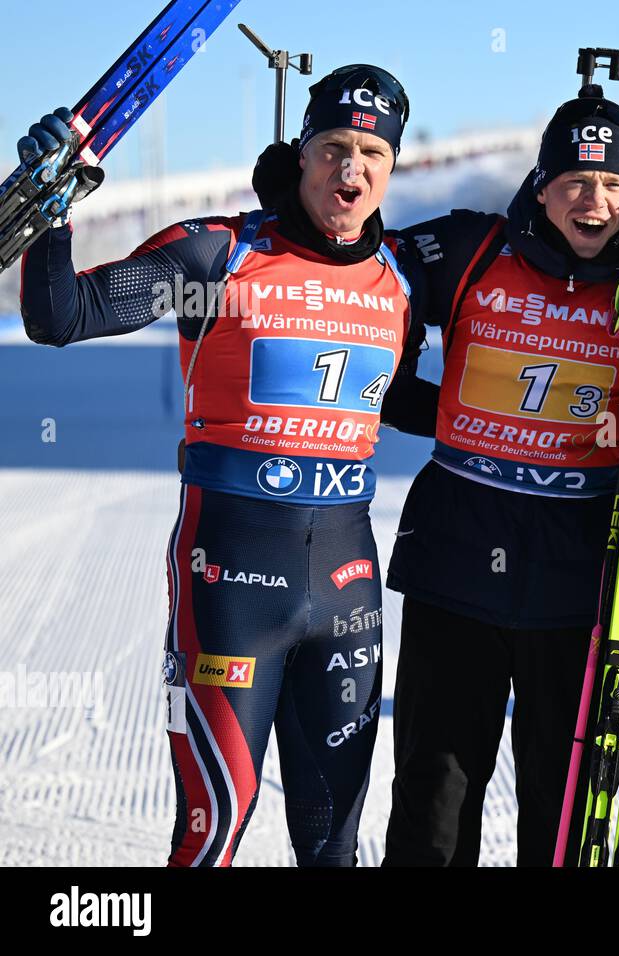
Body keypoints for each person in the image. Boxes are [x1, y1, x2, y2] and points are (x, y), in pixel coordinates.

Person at [19, 65, 413, 866]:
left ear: (392, 166)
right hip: (231, 575)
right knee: (212, 829)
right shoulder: (218, 254)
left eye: (373, 152)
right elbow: (62, 317)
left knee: (335, 842)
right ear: (300, 154)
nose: (351, 169)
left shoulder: (407, 274)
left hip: (348, 583)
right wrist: (46, 212)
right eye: (334, 146)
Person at [378, 79, 619, 866]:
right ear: (544, 185)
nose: (594, 201)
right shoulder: (476, 247)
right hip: (457, 550)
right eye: (575, 181)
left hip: (580, 562)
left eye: (612, 183)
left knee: (562, 789)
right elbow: (364, 276)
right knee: (437, 784)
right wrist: (410, 400)